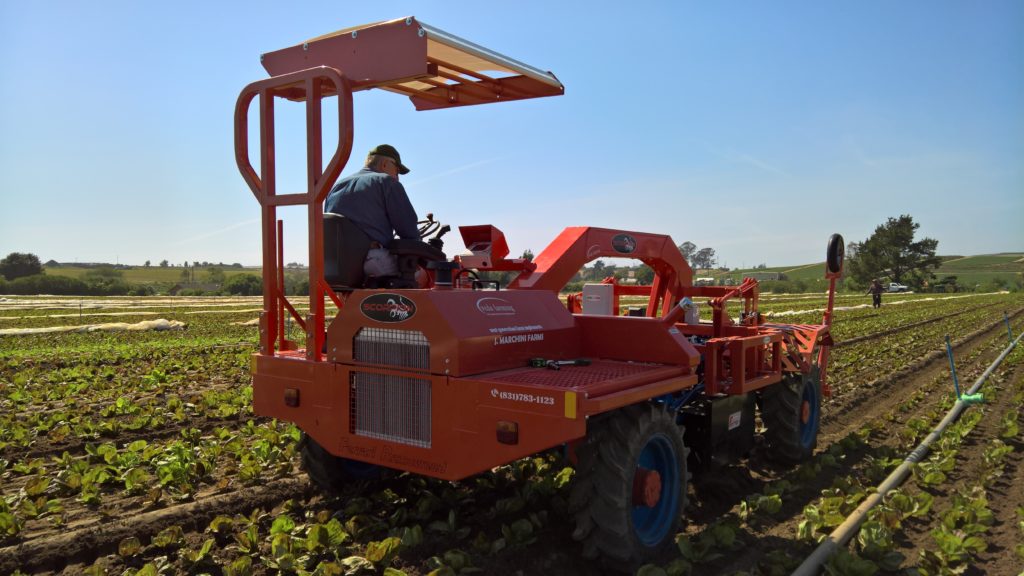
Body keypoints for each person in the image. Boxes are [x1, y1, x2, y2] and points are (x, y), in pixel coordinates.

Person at [324, 144, 419, 279]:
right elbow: (408, 231)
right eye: (397, 170)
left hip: (337, 266)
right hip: (372, 261)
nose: (397, 177)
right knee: (421, 275)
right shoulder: (386, 182)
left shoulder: (336, 187)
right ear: (385, 164)